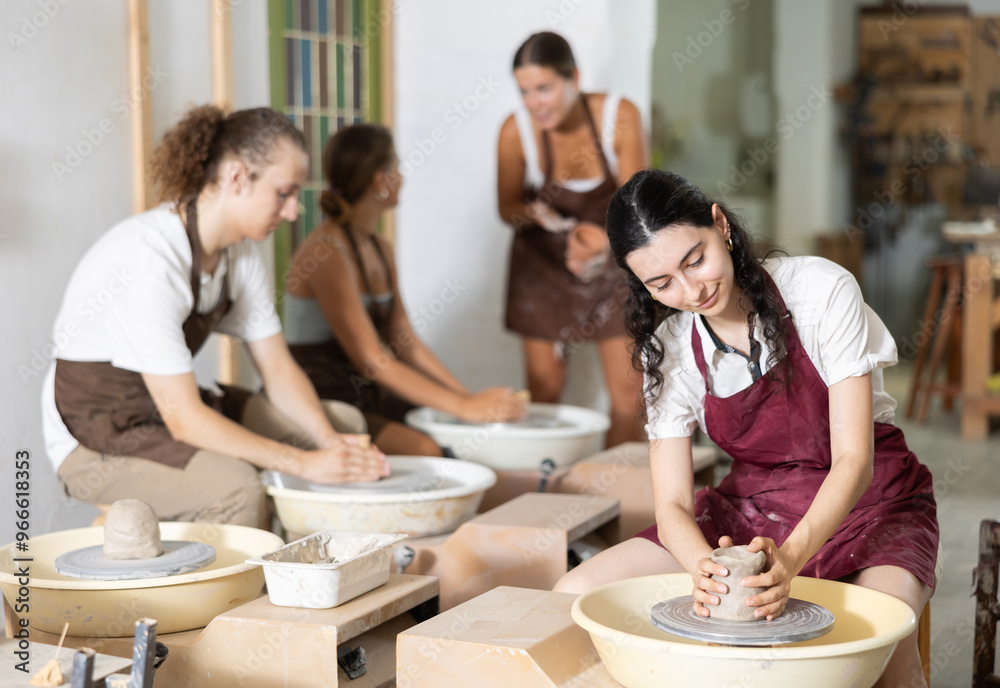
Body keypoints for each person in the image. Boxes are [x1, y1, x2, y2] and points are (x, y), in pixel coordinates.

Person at [554, 170, 939, 688]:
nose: (692, 291)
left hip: (870, 502)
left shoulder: (820, 291)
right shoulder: (669, 349)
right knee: (572, 593)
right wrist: (705, 570)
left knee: (884, 645)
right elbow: (671, 506)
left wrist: (791, 560)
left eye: (696, 260)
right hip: (753, 507)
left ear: (720, 225)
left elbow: (855, 460)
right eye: (661, 283)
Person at [43, 105, 388, 529]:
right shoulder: (150, 259)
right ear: (237, 177)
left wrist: (331, 445)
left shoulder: (239, 254)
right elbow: (184, 418)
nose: (294, 211)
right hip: (96, 439)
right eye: (284, 193)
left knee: (345, 423)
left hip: (166, 413)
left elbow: (279, 369)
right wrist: (307, 464)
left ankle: (310, 568)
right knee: (236, 488)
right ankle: (250, 590)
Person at [284, 124, 526, 457]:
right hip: (320, 398)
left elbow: (404, 341)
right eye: (397, 166)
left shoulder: (380, 247)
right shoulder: (326, 253)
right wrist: (463, 406)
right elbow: (373, 361)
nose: (403, 175)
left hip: (364, 393)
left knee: (463, 441)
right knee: (426, 449)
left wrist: (469, 399)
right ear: (379, 180)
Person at [497, 31, 648, 448]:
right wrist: (541, 216)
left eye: (544, 88)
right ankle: (548, 491)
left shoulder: (620, 116)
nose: (534, 103)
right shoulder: (516, 131)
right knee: (544, 391)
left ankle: (611, 493)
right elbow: (506, 205)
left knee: (629, 394)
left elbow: (635, 201)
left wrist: (602, 240)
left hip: (613, 255)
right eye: (524, 91)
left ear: (574, 78)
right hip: (543, 260)